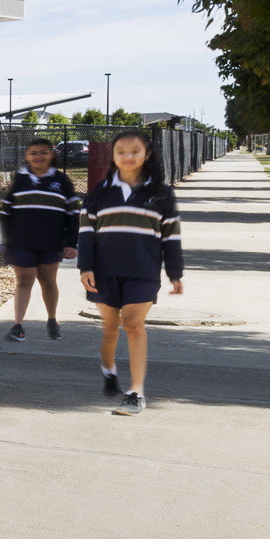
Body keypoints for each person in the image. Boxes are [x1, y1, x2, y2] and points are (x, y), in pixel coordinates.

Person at [79, 129, 185, 416]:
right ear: (113, 156)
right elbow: (86, 231)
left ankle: (136, 392)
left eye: (135, 151)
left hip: (143, 272)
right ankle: (109, 369)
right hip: (104, 272)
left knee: (134, 324)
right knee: (110, 328)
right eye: (121, 151)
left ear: (146, 154)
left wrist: (175, 272)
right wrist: (85, 267)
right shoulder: (99, 192)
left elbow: (171, 235)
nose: (128, 156)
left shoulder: (162, 193)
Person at [0, 138, 82, 342]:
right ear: (27, 156)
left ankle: (52, 320)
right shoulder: (19, 180)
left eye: (44, 152)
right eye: (33, 152)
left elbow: (72, 214)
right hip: (21, 242)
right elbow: (5, 213)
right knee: (24, 281)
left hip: (51, 241)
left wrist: (71, 243)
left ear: (52, 155)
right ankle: (18, 325)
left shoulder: (62, 181)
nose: (38, 156)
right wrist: (6, 240)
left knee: (48, 281)